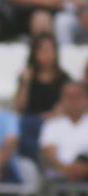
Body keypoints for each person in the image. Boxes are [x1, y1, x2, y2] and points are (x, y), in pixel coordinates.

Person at [14, 33, 70, 162]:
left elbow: (65, 107)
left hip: (54, 121)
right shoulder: (27, 77)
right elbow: (19, 107)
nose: (46, 54)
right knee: (23, 126)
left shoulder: (64, 79)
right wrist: (25, 83)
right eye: (42, 50)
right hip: (30, 122)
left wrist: (53, 114)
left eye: (49, 50)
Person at [39, 81, 88, 184]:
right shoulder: (52, 125)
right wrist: (67, 170)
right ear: (62, 100)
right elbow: (49, 154)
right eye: (69, 97)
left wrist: (84, 170)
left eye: (78, 96)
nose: (74, 101)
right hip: (59, 179)